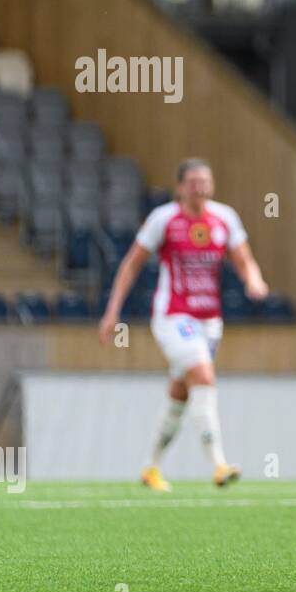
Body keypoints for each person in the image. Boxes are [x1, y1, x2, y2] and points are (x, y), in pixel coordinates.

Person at [98, 159, 266, 491]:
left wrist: (254, 280)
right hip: (174, 317)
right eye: (193, 182)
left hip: (210, 322)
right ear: (180, 187)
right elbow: (131, 265)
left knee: (181, 393)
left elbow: (243, 258)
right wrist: (112, 312)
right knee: (204, 375)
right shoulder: (163, 219)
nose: (200, 187)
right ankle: (218, 464)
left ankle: (150, 468)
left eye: (205, 181)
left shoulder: (225, 217)